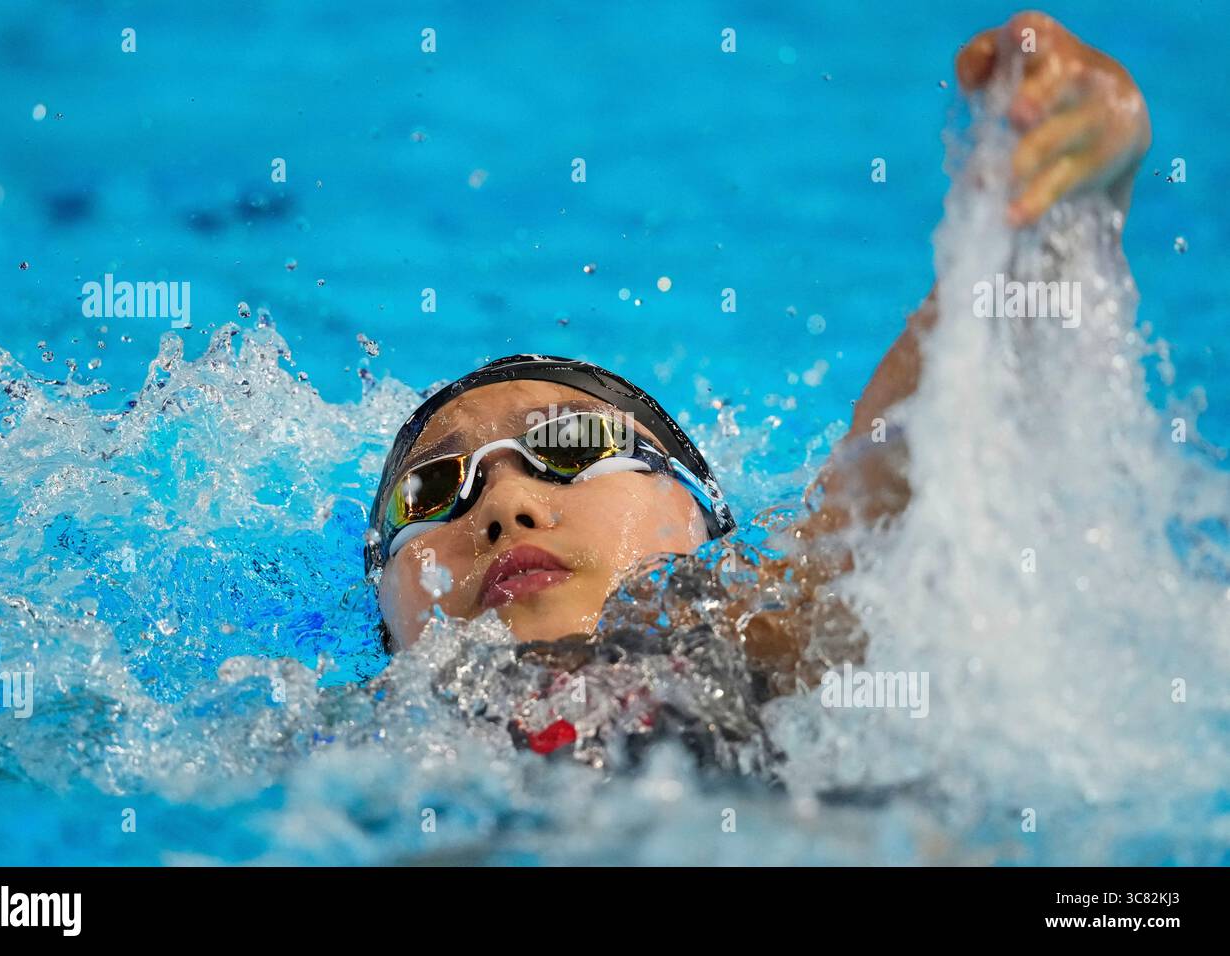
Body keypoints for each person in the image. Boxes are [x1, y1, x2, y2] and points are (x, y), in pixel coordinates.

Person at [366, 13, 1151, 693]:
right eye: (431, 491)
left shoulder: (772, 647)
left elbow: (927, 450)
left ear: (705, 521)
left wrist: (1057, 205)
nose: (505, 507)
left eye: (572, 443)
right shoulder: (328, 754)